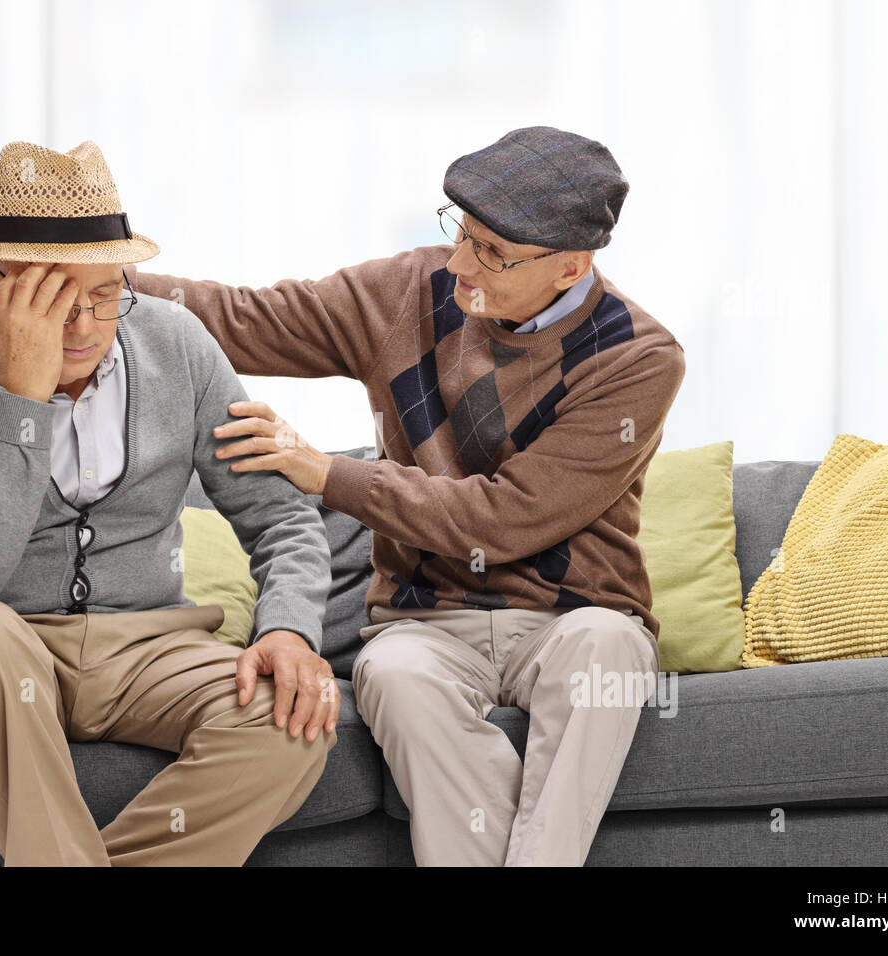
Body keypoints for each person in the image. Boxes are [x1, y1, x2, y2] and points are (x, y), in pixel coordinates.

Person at [125, 126, 687, 866]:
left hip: (571, 618)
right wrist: (99, 286)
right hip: (427, 622)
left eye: (491, 252)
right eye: (462, 233)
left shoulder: (638, 358)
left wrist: (328, 473)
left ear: (570, 266)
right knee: (392, 674)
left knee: (609, 654)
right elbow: (244, 318)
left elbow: (506, 516)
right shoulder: (408, 292)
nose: (459, 262)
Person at [0, 140, 337, 866]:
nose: (86, 326)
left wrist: (289, 629)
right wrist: (20, 399)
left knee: (289, 724)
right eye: (57, 298)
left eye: (106, 295)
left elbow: (280, 516)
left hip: (146, 648)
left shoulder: (179, 346)